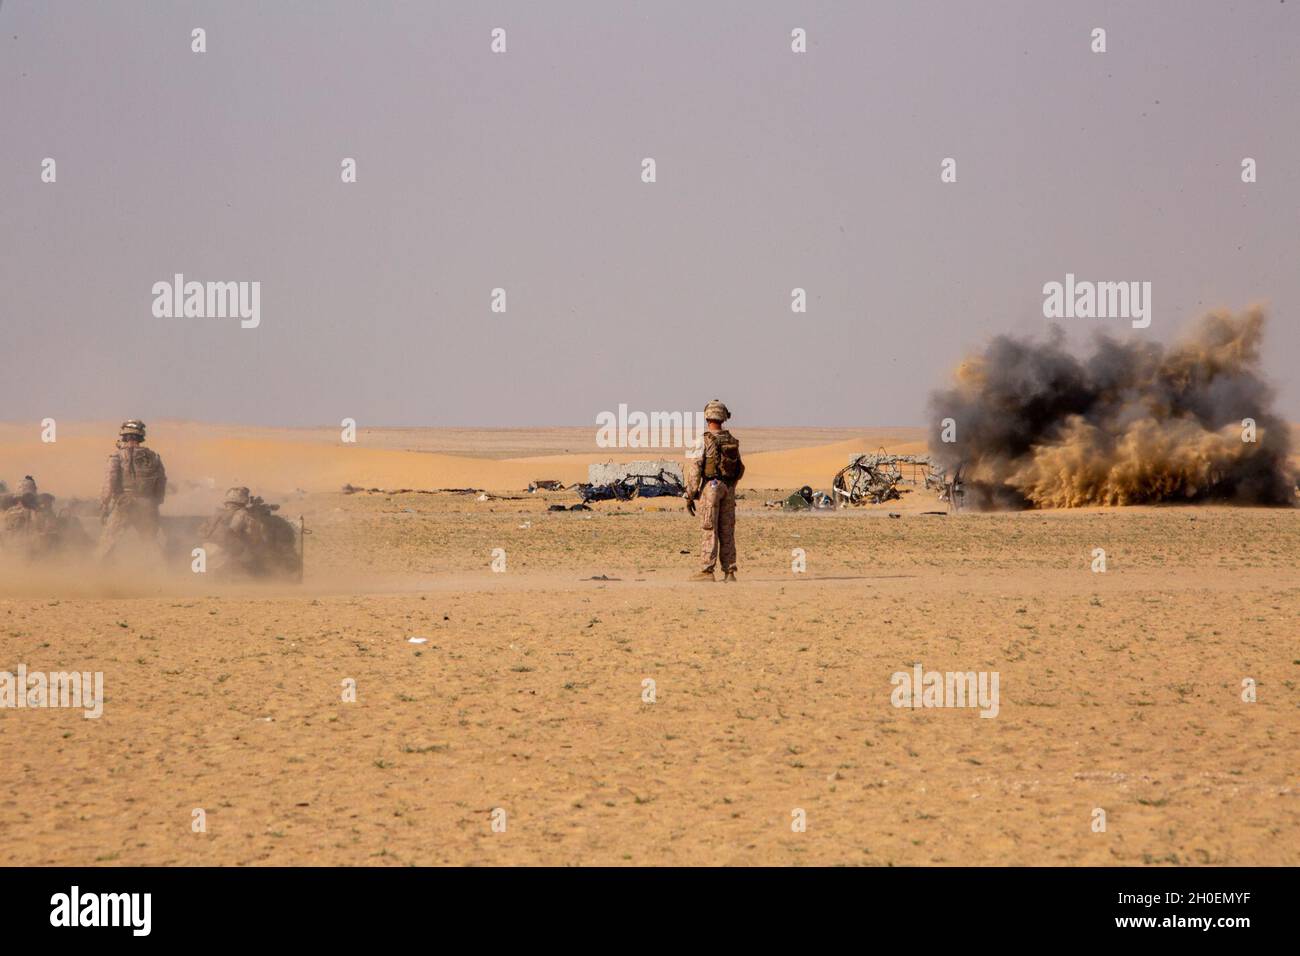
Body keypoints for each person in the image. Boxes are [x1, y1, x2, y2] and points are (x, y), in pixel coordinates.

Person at [684, 399, 744, 582]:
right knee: (727, 530)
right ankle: (730, 571)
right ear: (724, 417)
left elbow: (695, 470)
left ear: (707, 416)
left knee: (709, 528)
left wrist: (690, 495)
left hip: (710, 489)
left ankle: (707, 571)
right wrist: (730, 486)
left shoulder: (703, 440)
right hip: (728, 488)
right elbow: (740, 469)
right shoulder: (731, 440)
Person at [97, 420, 167, 561]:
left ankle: (98, 574)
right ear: (141, 436)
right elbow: (161, 482)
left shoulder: (117, 456)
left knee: (108, 540)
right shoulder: (154, 457)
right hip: (147, 504)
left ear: (124, 436)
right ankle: (162, 573)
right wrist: (154, 504)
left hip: (125, 504)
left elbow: (110, 481)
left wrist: (104, 504)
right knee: (150, 541)